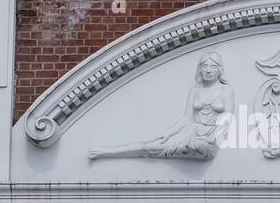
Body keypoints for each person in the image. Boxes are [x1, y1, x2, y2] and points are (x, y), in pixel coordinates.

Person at [89, 51, 233, 161]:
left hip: (208, 142)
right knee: (151, 147)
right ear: (200, 69)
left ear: (219, 70)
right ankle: (108, 151)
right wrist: (168, 134)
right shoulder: (195, 90)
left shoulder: (225, 90)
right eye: (205, 66)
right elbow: (186, 118)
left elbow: (228, 118)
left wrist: (213, 137)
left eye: (213, 67)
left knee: (196, 145)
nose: (208, 70)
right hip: (192, 132)